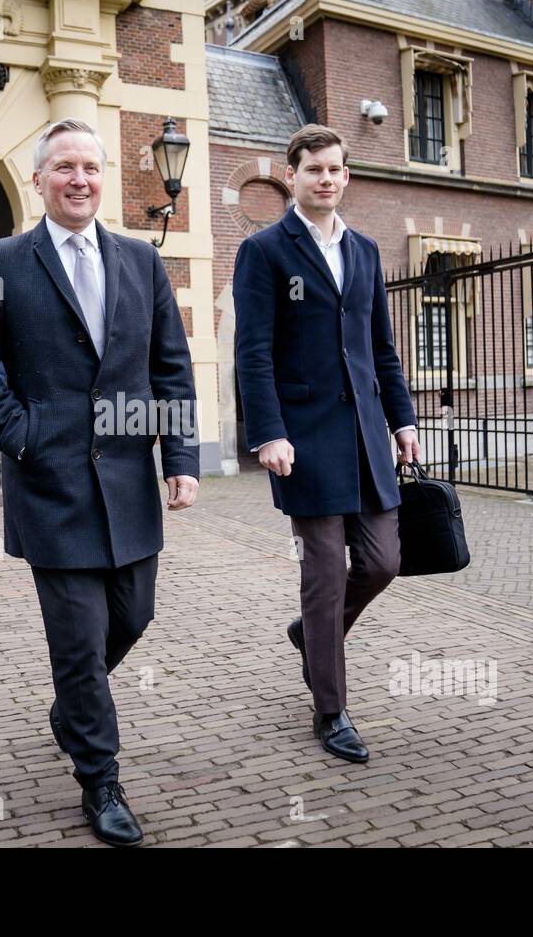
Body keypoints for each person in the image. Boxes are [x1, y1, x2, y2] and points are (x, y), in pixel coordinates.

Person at [0, 118, 199, 847]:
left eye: (91, 166)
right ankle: (101, 780)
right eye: (64, 167)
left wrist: (181, 459)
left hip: (129, 483)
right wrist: (23, 436)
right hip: (50, 487)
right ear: (39, 179)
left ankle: (71, 709)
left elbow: (170, 367)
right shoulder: (1, 261)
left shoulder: (139, 260)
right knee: (79, 641)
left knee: (132, 617)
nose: (80, 179)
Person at [234, 124, 420, 765]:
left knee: (383, 562)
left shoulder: (366, 250)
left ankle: (310, 639)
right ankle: (331, 711)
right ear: (293, 175)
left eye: (335, 169)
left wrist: (403, 420)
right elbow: (252, 353)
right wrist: (268, 433)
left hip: (368, 438)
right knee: (322, 575)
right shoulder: (265, 251)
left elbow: (382, 351)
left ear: (346, 176)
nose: (325, 179)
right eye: (313, 169)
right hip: (305, 442)